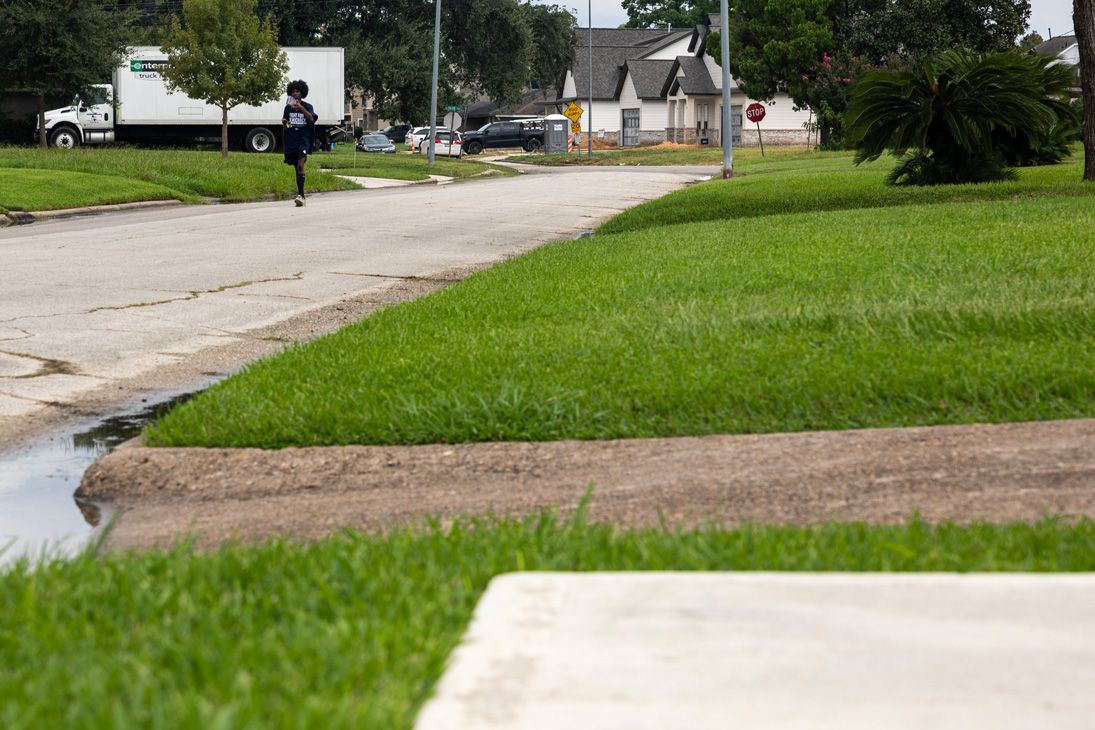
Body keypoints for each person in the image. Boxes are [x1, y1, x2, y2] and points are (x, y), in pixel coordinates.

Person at [282, 80, 317, 207]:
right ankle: (300, 194)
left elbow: (311, 119)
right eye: (293, 92)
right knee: (296, 168)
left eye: (297, 92)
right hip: (292, 140)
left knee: (301, 166)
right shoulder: (288, 108)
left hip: (303, 140)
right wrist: (285, 122)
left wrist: (301, 108)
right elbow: (286, 125)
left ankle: (301, 196)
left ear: (302, 93)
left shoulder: (308, 106)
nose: (295, 94)